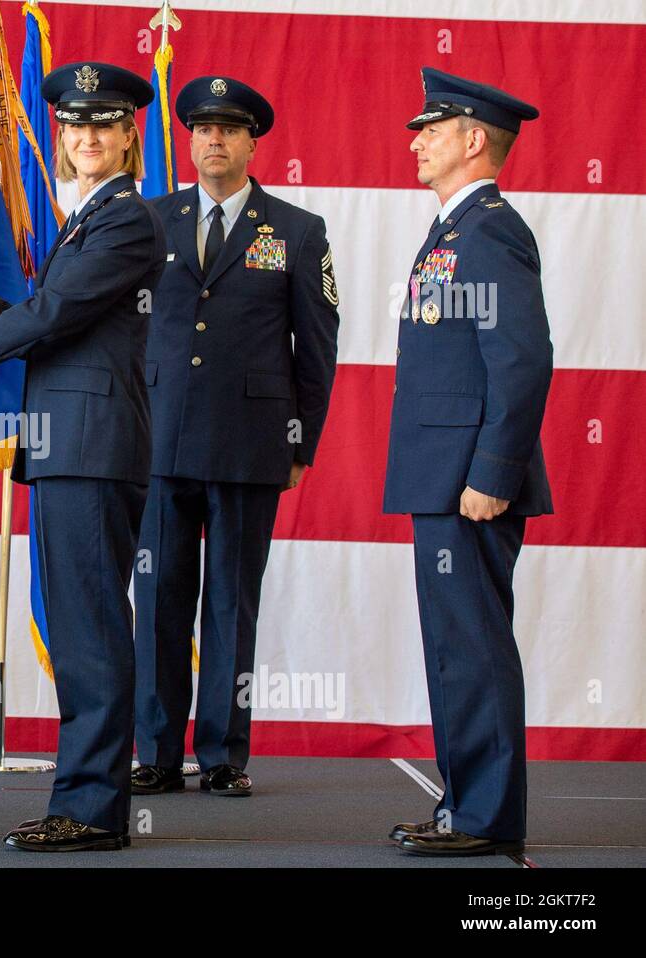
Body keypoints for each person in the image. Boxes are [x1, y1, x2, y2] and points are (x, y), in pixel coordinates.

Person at [0, 62, 166, 851]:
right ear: (58, 134)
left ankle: (91, 812)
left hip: (92, 451)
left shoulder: (127, 219)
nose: (87, 137)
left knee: (89, 629)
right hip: (71, 451)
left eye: (104, 124)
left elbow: (55, 313)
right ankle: (82, 801)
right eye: (74, 125)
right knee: (77, 624)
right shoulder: (87, 220)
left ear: (129, 136)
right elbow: (45, 317)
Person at [131, 76, 340, 798]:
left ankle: (223, 753)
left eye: (229, 128)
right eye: (202, 128)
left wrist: (301, 444)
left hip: (252, 444)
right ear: (188, 140)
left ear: (254, 142)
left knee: (230, 603)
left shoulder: (295, 232)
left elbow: (316, 348)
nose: (213, 139)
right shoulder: (148, 220)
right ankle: (155, 751)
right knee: (157, 600)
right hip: (156, 443)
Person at [386, 68, 552, 856]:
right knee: (454, 649)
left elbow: (521, 358)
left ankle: (485, 819)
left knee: (475, 649)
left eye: (431, 129)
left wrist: (493, 470)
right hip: (442, 474)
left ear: (473, 139)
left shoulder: (488, 228)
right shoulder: (453, 228)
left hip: (470, 481)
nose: (416, 142)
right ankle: (463, 809)